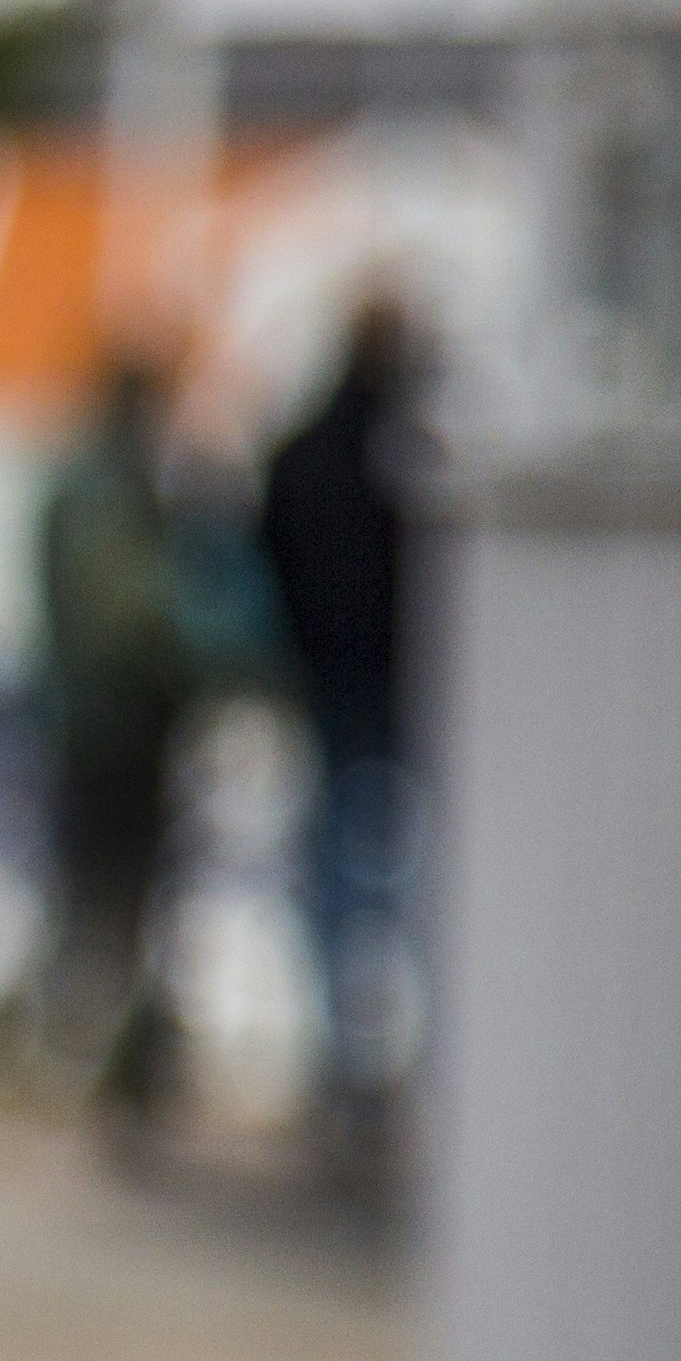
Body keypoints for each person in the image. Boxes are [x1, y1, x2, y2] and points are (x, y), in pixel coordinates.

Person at [252, 286, 433, 1169]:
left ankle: (347, 1057)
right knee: (407, 882)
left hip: (328, 686)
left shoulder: (304, 452)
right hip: (396, 693)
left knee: (339, 882)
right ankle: (393, 1060)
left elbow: (269, 552)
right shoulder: (413, 457)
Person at [28, 344, 203, 1147]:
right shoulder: (113, 494)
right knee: (117, 901)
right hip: (118, 724)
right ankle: (107, 1062)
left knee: (100, 899)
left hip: (85, 721)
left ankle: (101, 1057)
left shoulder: (88, 486)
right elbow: (129, 614)